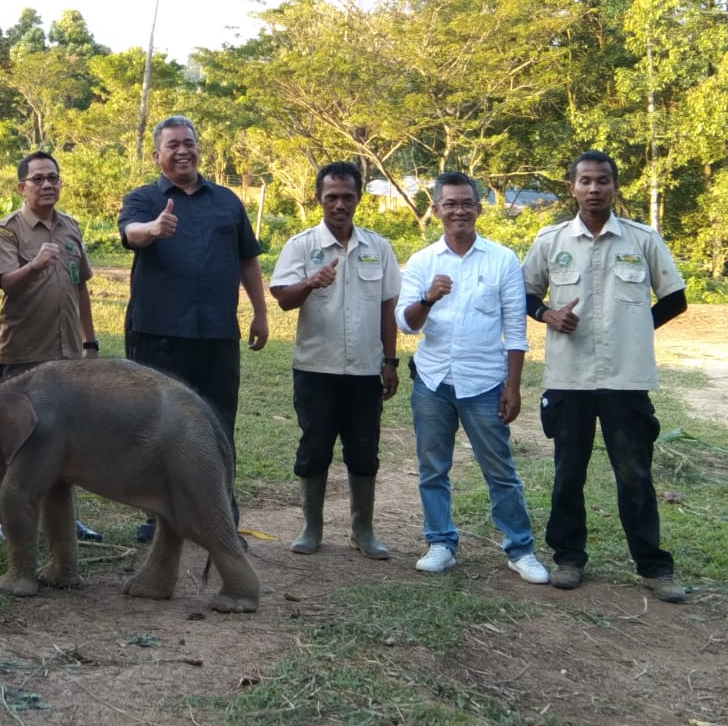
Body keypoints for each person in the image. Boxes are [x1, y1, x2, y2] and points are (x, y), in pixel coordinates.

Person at [522, 150, 689, 601]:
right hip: (569, 378)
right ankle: (568, 559)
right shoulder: (551, 240)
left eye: (603, 181)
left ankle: (654, 568)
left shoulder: (641, 240)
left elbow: (675, 298)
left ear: (615, 187)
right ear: (572, 187)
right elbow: (525, 292)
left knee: (634, 474)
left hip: (626, 378)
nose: (594, 189)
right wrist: (547, 314)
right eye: (585, 181)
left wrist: (637, 327)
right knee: (568, 472)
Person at [118, 116, 269, 541]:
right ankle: (161, 518)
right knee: (158, 426)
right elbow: (131, 233)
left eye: (189, 143)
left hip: (217, 332)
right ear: (156, 155)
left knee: (219, 424)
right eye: (173, 145)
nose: (183, 150)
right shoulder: (144, 198)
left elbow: (247, 259)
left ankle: (222, 519)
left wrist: (260, 311)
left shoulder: (227, 201)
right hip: (157, 332)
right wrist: (154, 228)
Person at [398, 173, 549, 583]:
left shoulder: (501, 260)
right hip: (433, 382)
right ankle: (440, 543)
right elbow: (406, 326)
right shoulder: (422, 262)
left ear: (479, 209)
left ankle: (520, 549)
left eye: (467, 203)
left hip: (485, 383)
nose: (459, 210)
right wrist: (428, 297)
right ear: (436, 210)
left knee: (500, 470)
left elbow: (516, 333)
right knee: (432, 467)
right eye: (450, 203)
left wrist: (512, 387)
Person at [269, 162, 400, 559]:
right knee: (314, 447)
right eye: (331, 197)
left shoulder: (378, 248)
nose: (339, 205)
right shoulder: (301, 246)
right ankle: (312, 528)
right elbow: (283, 299)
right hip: (315, 369)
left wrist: (390, 360)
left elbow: (388, 306)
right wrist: (309, 282)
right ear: (318, 199)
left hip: (364, 370)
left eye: (347, 197)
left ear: (359, 198)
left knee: (364, 450)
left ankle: (364, 530)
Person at [0, 150, 102, 542]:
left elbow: (80, 285)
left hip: (67, 354)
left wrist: (89, 342)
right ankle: (8, 516)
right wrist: (34, 265)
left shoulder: (71, 228)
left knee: (66, 440)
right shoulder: (8, 230)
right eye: (37, 179)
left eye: (53, 177)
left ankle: (64, 520)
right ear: (22, 187)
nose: (47, 184)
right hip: (23, 353)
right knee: (16, 439)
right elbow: (4, 283)